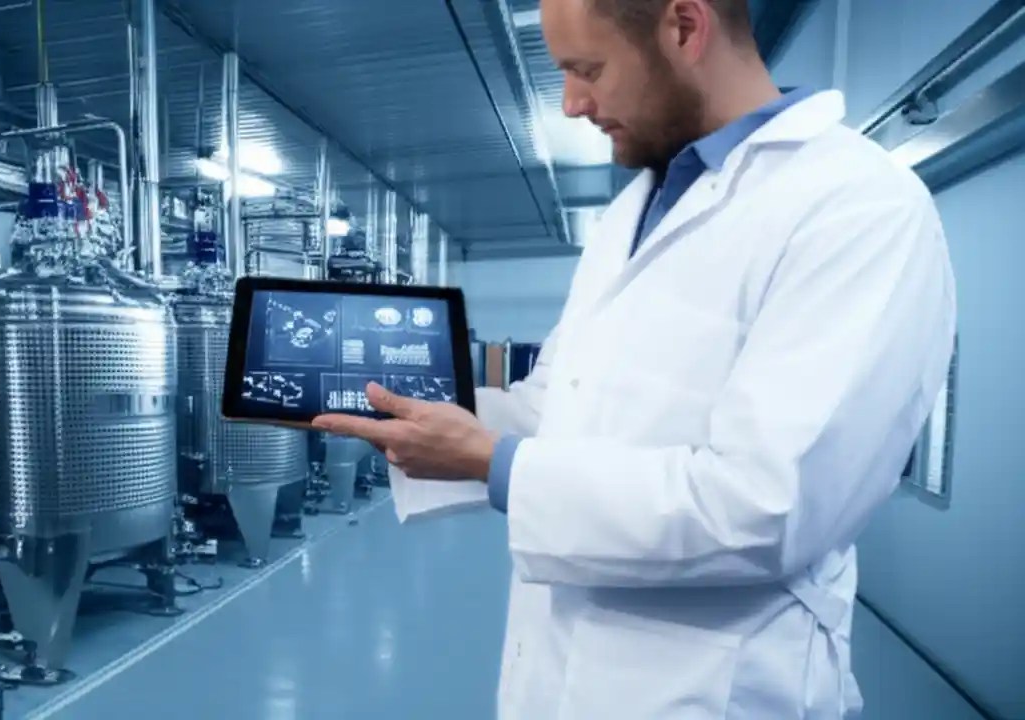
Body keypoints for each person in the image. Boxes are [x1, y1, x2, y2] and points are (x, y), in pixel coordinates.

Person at [312, 0, 958, 717]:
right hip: (559, 673)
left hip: (715, 690)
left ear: (685, 27)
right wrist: (401, 408)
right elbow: (561, 399)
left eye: (587, 70)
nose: (573, 102)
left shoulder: (856, 205)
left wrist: (494, 463)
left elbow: (769, 504)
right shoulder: (635, 209)